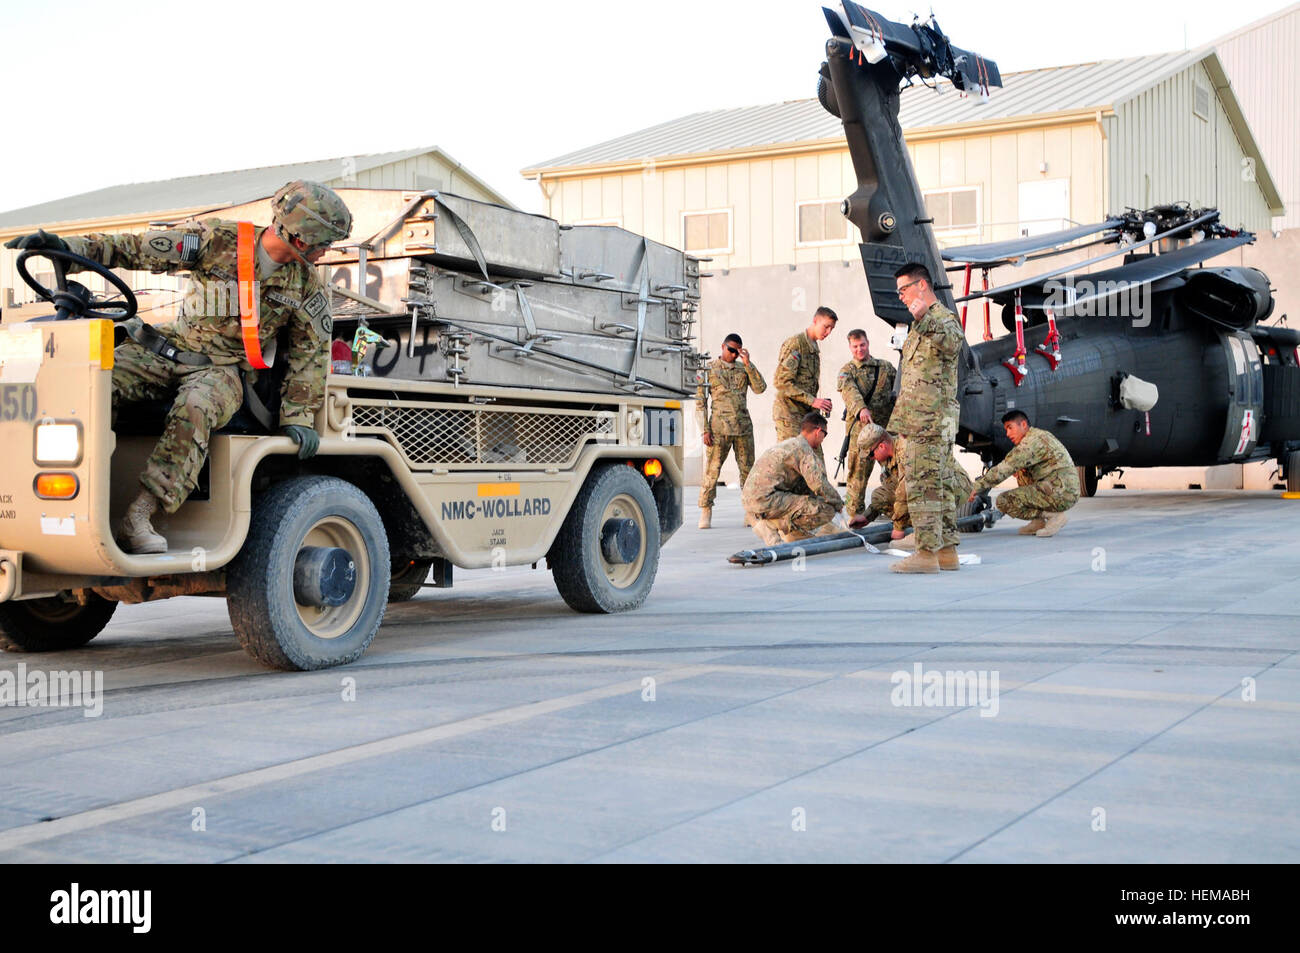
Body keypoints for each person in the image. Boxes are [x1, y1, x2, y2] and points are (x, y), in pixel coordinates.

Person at [5, 180, 352, 554]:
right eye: (325, 244)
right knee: (88, 384)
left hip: (223, 370)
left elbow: (310, 354)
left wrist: (298, 417)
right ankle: (71, 499)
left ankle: (139, 516)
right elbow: (136, 249)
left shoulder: (306, 287)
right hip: (168, 349)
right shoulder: (216, 240)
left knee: (197, 407)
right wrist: (68, 249)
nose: (325, 252)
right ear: (302, 240)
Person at [888, 262, 966, 574]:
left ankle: (926, 553)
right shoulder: (919, 324)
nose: (901, 296)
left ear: (922, 285)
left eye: (903, 289)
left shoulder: (941, 318)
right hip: (919, 420)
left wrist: (924, 317)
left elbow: (951, 342)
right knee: (940, 484)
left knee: (923, 486)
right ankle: (945, 552)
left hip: (930, 422)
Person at [742, 412, 862, 546]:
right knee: (826, 510)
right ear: (817, 431)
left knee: (806, 492)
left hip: (752, 500)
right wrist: (838, 504)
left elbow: (807, 487)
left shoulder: (791, 444)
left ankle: (793, 534)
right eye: (825, 434)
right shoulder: (803, 450)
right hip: (765, 500)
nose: (824, 438)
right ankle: (771, 525)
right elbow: (819, 484)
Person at [858, 425, 972, 555]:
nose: (871, 458)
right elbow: (894, 489)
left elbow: (904, 491)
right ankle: (929, 525)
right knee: (881, 496)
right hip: (937, 488)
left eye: (871, 454)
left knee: (917, 486)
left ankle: (925, 533)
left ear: (882, 446)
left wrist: (898, 528)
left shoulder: (907, 449)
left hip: (955, 486)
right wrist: (867, 516)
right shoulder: (891, 457)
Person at [969, 410, 1080, 537]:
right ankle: (1038, 522)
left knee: (1004, 501)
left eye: (1010, 428)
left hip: (1062, 492)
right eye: (1006, 429)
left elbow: (1004, 468)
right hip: (1060, 487)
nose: (1008, 433)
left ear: (1023, 424)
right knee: (1021, 471)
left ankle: (1054, 516)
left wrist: (977, 487)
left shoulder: (1031, 442)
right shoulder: (1036, 436)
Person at [696, 333, 767, 529]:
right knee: (712, 472)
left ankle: (750, 512)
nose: (734, 354)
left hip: (743, 428)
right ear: (723, 347)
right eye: (731, 350)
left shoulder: (743, 368)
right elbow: (700, 403)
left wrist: (748, 363)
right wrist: (704, 430)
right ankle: (706, 510)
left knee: (748, 472)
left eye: (738, 351)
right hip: (719, 430)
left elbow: (761, 388)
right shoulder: (709, 369)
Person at [836, 328, 896, 518]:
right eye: (855, 346)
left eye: (862, 345)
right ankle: (856, 516)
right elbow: (848, 390)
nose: (859, 349)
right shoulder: (847, 371)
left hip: (886, 432)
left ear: (868, 343)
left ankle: (895, 510)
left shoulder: (885, 367)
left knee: (894, 472)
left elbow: (900, 388)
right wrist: (861, 408)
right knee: (858, 478)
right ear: (849, 347)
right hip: (860, 435)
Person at [773, 307, 837, 445]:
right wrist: (812, 400)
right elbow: (782, 383)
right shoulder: (796, 344)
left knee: (815, 461)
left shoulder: (814, 349)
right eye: (826, 327)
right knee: (791, 460)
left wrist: (820, 404)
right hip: (789, 415)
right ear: (815, 321)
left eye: (832, 329)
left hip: (807, 417)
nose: (828, 332)